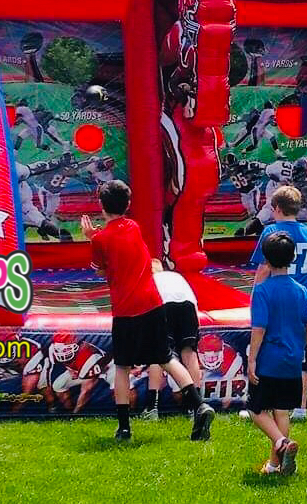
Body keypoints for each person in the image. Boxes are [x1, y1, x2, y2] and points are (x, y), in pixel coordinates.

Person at [81, 180, 214, 441]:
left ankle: (124, 427)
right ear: (128, 204)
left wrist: (91, 237)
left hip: (126, 309)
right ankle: (198, 403)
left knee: (122, 366)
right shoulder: (133, 227)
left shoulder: (102, 238)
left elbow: (100, 268)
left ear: (101, 206)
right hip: (152, 304)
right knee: (166, 357)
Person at [251, 185, 307, 420]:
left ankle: (266, 401)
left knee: (272, 345)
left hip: (276, 294)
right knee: (302, 353)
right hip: (303, 294)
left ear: (277, 208)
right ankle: (300, 406)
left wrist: (254, 296)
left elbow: (262, 269)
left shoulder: (271, 231)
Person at [248, 231, 307, 475]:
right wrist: (300, 344)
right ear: (292, 258)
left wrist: (252, 359)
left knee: (256, 409)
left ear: (265, 259)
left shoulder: (263, 291)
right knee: (281, 410)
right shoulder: (300, 291)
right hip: (292, 361)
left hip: (269, 360)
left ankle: (281, 442)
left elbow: (259, 329)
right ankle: (275, 464)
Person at [141, 258, 202, 420]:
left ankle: (152, 406)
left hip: (165, 304)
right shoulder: (176, 276)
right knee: (189, 352)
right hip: (187, 305)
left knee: (159, 353)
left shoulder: (149, 280)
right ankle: (196, 405)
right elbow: (193, 302)